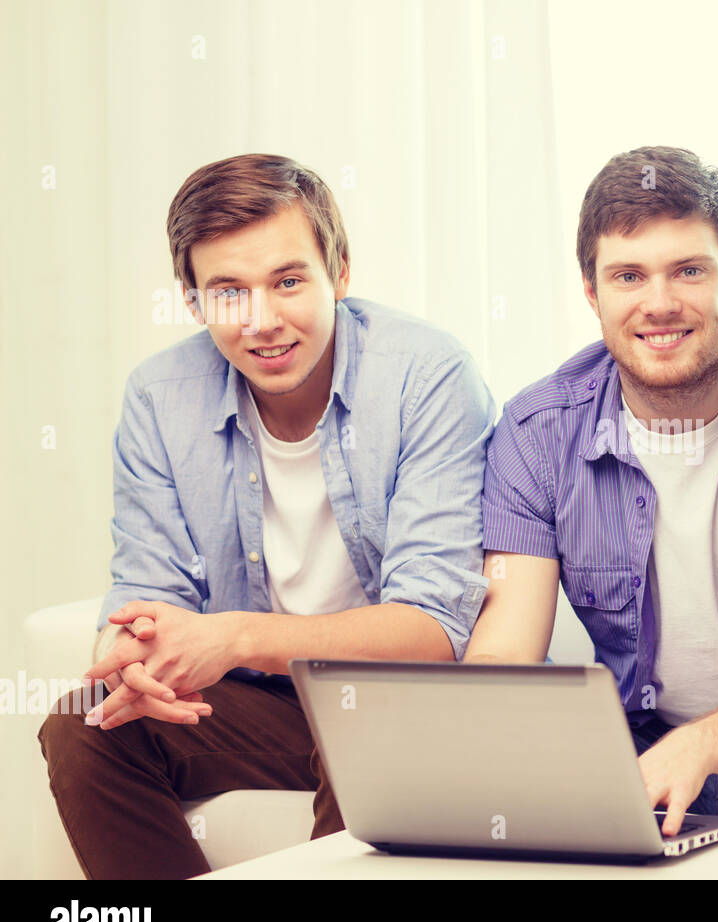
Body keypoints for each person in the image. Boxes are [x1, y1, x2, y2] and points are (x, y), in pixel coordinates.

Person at [38, 154, 494, 879]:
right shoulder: (160, 397)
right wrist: (128, 647)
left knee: (369, 724)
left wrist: (236, 637)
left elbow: (433, 628)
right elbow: (146, 587)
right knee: (85, 725)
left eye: (288, 281)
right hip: (262, 704)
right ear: (191, 302)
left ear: (339, 273)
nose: (262, 321)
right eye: (227, 292)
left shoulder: (428, 374)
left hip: (390, 693)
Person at [464, 146, 718, 837]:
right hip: (635, 742)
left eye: (688, 271)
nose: (659, 304)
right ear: (591, 294)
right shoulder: (536, 434)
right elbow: (506, 651)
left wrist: (704, 747)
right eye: (628, 276)